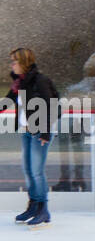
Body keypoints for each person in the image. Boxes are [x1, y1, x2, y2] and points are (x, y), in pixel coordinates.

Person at [8, 48, 57, 229]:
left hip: (39, 132)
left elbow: (52, 106)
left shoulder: (40, 81)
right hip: (26, 131)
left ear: (23, 63)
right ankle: (33, 205)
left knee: (37, 171)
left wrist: (44, 132)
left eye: (14, 61)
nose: (11, 65)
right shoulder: (19, 83)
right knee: (28, 170)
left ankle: (43, 209)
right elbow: (7, 100)